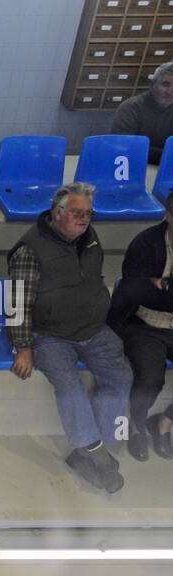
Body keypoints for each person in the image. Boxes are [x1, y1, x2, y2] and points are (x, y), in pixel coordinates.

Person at [7, 183, 133, 493]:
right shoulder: (30, 249)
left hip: (93, 330)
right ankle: (97, 454)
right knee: (70, 387)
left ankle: (89, 449)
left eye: (89, 213)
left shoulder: (89, 238)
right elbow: (17, 302)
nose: (84, 218)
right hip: (50, 335)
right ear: (57, 212)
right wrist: (23, 347)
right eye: (77, 212)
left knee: (121, 377)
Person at [107, 189, 173, 461]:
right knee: (149, 379)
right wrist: (156, 290)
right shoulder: (145, 244)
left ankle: (165, 422)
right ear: (168, 216)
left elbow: (152, 290)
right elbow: (133, 290)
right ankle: (136, 424)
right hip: (143, 323)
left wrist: (161, 285)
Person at [111, 63, 173, 165]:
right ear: (153, 85)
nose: (170, 91)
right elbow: (124, 147)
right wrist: (167, 155)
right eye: (165, 84)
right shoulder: (130, 108)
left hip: (166, 168)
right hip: (131, 165)